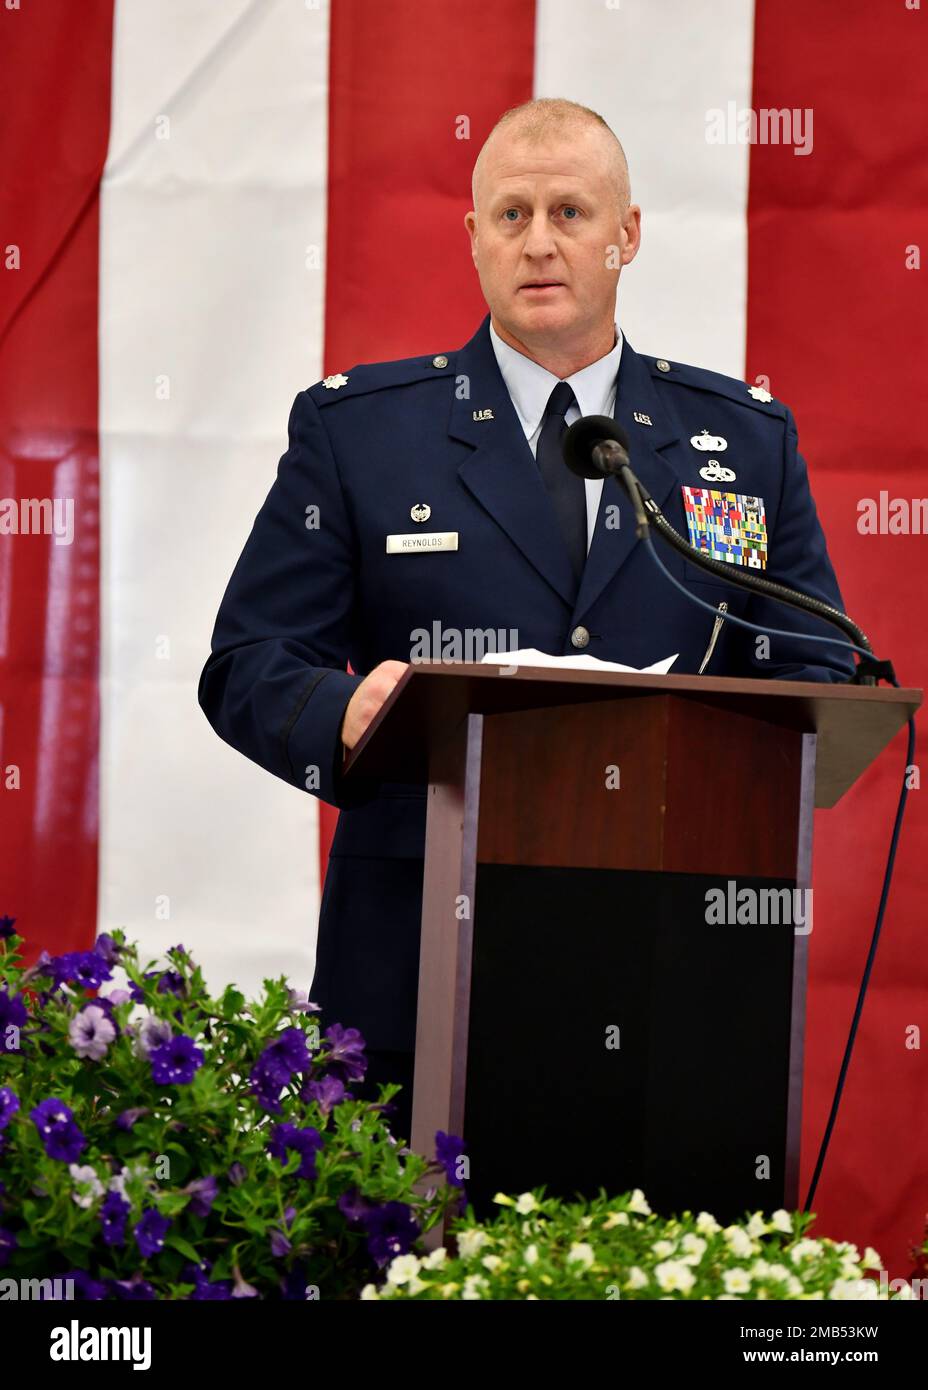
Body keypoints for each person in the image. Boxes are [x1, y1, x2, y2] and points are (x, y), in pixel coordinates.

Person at [198, 98, 852, 1140]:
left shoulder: (741, 439)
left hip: (674, 967)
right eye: (508, 214)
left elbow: (819, 668)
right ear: (471, 238)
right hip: (419, 968)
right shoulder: (361, 434)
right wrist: (341, 707)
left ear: (626, 234)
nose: (538, 241)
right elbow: (248, 662)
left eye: (568, 211)